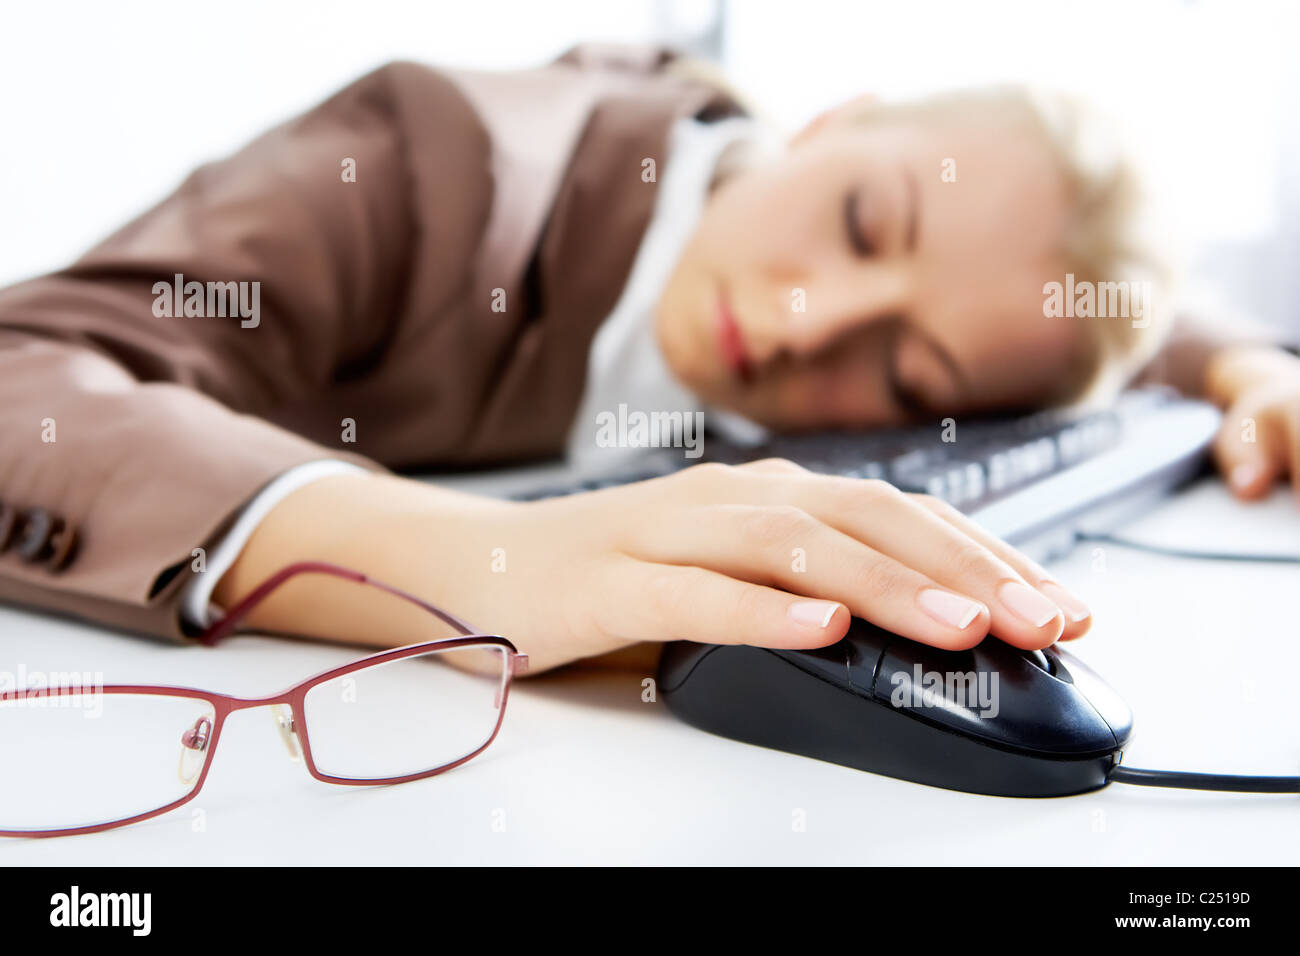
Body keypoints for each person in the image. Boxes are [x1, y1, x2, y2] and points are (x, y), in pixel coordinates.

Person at [0, 45, 1296, 675]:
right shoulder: (417, 161)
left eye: (907, 378)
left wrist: (1248, 369)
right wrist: (472, 564)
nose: (803, 325)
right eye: (860, 221)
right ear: (827, 119)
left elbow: (1047, 310)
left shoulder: (978, 278)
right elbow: (25, 370)